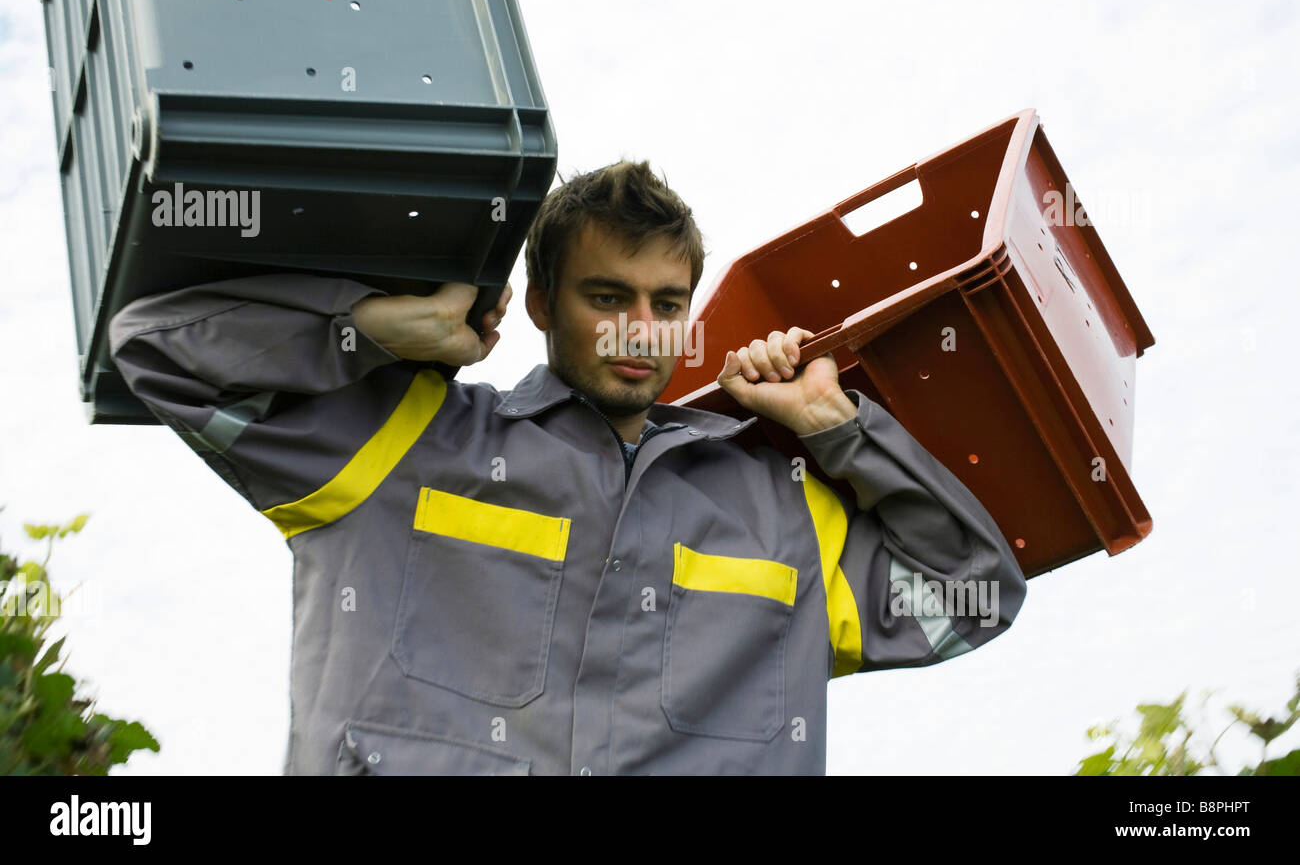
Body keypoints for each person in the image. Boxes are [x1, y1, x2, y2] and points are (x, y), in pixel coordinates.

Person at [109, 159, 1027, 775]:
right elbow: (152, 348)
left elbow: (973, 593)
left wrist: (839, 429)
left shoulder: (778, 507)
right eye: (606, 296)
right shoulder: (406, 439)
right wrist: (369, 328)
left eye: (667, 302)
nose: (639, 327)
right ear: (542, 303)